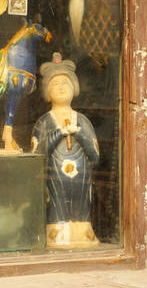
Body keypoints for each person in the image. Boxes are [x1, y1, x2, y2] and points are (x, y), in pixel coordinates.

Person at [31, 53, 99, 247]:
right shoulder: (44, 122)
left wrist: (80, 134)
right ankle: (56, 233)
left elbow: (95, 156)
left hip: (81, 178)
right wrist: (58, 133)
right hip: (54, 177)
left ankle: (84, 232)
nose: (61, 88)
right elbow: (38, 155)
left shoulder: (83, 121)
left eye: (65, 83)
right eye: (55, 84)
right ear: (47, 91)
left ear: (74, 88)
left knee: (81, 204)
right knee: (56, 203)